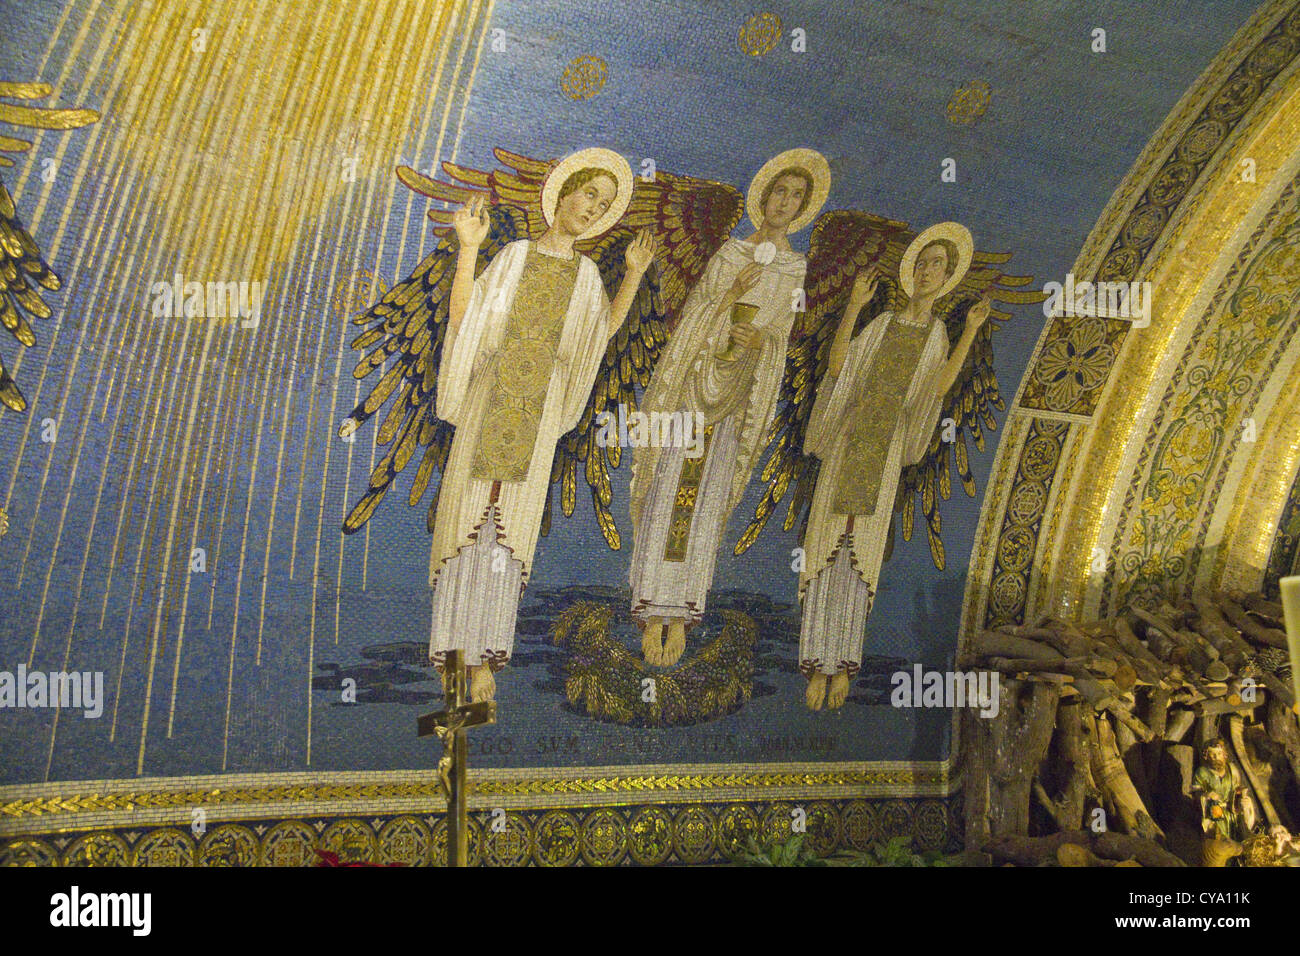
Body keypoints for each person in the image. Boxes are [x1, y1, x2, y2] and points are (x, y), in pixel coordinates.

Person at [430, 148, 657, 702]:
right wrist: (467, 250)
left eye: (603, 204)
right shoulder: (512, 255)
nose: (592, 208)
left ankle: (484, 654)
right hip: (492, 396)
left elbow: (599, 335)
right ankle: (452, 654)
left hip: (538, 414)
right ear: (562, 193)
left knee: (508, 534)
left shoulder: (584, 276)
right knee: (467, 521)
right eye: (587, 194)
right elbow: (463, 318)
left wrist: (631, 275)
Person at [628, 149, 829, 667]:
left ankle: (685, 612)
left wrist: (761, 337)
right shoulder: (728, 253)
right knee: (669, 494)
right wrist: (727, 300)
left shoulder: (795, 268)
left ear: (803, 207)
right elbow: (692, 317)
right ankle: (652, 610)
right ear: (762, 196)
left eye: (796, 197)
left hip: (737, 401)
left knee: (707, 503)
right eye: (779, 192)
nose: (785, 202)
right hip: (694, 392)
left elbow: (783, 337)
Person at [797, 223, 989, 710]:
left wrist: (969, 332)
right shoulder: (880, 323)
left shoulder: (938, 333)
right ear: (910, 271)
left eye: (937, 266)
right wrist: (854, 309)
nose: (926, 272)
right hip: (850, 437)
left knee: (859, 551)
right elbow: (839, 366)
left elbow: (939, 387)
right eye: (921, 263)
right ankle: (813, 661)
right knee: (825, 545)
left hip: (886, 447)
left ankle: (843, 662)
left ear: (946, 278)